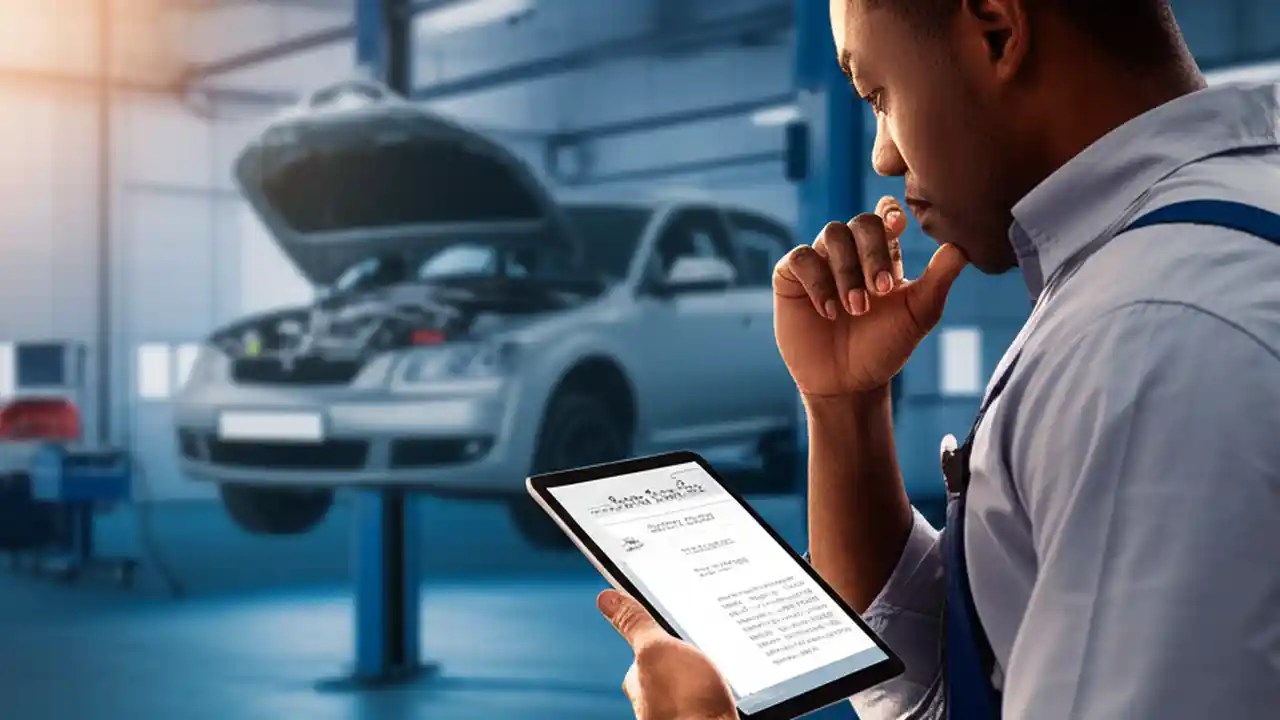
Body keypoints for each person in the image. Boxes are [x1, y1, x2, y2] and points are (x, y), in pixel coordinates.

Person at [594, 0, 1280, 718]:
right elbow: (984, 671)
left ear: (997, 31)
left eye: (878, 95)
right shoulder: (1180, 251)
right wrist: (845, 407)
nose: (883, 156)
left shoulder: (1146, 348)